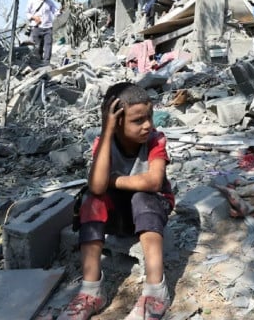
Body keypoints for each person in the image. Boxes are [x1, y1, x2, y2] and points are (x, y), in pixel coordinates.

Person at [59, 82, 174, 320]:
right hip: (119, 215)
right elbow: (97, 186)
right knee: (91, 199)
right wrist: (107, 131)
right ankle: (92, 291)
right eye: (138, 120)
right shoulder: (104, 145)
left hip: (151, 211)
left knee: (143, 197)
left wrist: (114, 181)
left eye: (149, 117)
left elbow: (153, 182)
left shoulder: (155, 140)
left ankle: (156, 291)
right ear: (117, 122)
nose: (148, 125)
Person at [25, 0, 60, 64]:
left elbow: (56, 12)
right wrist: (34, 17)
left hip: (48, 28)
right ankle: (38, 62)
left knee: (48, 45)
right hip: (36, 27)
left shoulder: (50, 3)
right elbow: (27, 13)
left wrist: (60, 11)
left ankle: (46, 62)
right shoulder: (32, 1)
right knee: (37, 47)